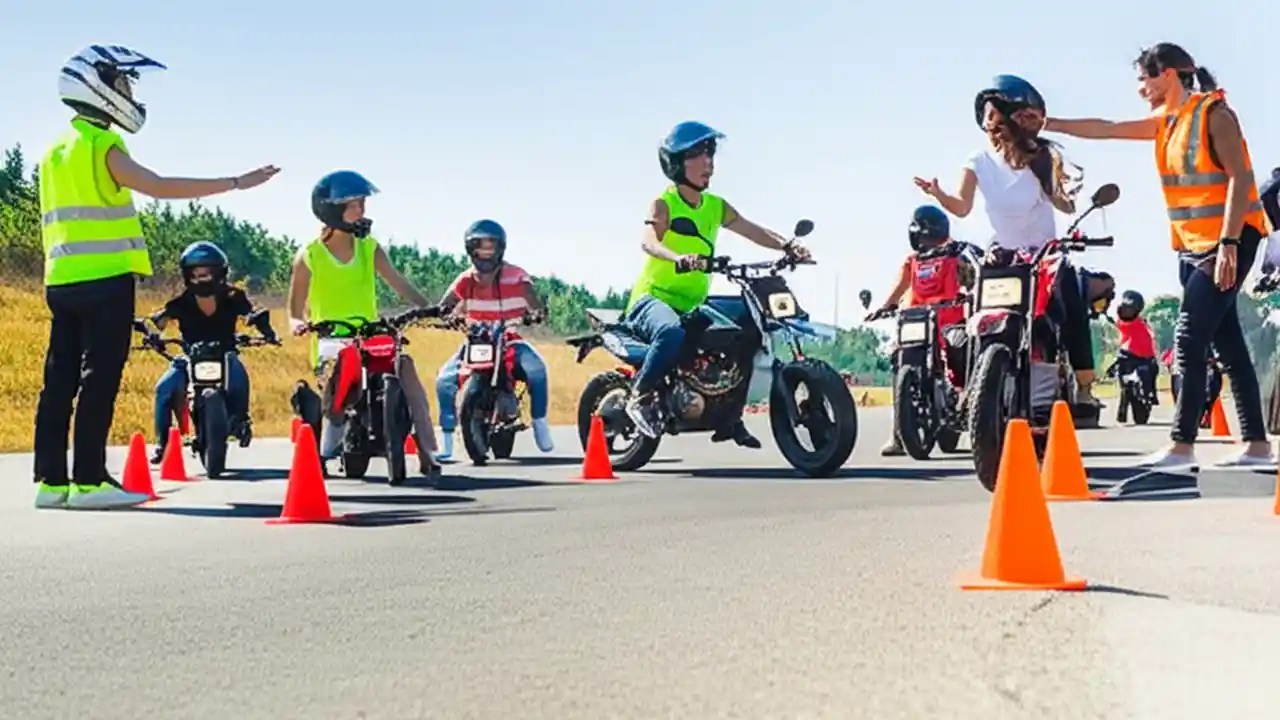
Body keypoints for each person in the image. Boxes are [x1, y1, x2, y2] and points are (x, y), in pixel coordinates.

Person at [33, 44, 278, 510]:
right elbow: (158, 186)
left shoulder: (54, 151)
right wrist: (235, 183)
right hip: (105, 279)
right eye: (124, 82)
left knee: (58, 379)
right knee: (98, 379)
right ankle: (88, 483)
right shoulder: (100, 144)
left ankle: (51, 483)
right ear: (100, 87)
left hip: (60, 280)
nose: (128, 91)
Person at [1042, 42, 1273, 468]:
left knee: (1188, 338)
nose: (1139, 88)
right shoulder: (1168, 121)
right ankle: (1257, 445)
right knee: (1228, 343)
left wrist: (1228, 244)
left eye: (1144, 79)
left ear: (1167, 74)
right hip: (1192, 245)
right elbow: (1107, 127)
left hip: (1230, 239)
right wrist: (1048, 122)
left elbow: (1242, 178)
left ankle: (1181, 445)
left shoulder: (1214, 114)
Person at [912, 74, 1102, 411]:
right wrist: (937, 193)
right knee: (974, 312)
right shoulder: (977, 162)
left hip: (1045, 255)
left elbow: (1065, 205)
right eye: (988, 118)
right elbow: (962, 206)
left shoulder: (1042, 155)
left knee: (1071, 301)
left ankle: (1084, 385)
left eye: (1000, 118)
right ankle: (972, 385)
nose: (993, 125)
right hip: (1002, 255)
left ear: (1018, 121)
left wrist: (1054, 182)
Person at [622, 121, 812, 443]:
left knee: (750, 325)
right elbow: (648, 240)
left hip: (692, 304)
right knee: (669, 332)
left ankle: (730, 417)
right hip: (653, 300)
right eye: (698, 155)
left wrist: (787, 246)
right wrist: (675, 257)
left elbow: (753, 230)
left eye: (710, 154)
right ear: (677, 162)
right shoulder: (664, 203)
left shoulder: (715, 206)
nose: (708, 163)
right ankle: (639, 396)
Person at [286, 170, 441, 478]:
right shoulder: (310, 256)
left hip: (370, 337)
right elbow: (294, 309)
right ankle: (325, 449)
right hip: (332, 341)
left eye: (362, 203)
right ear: (332, 209)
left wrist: (430, 309)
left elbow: (399, 283)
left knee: (406, 370)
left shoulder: (370, 248)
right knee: (339, 385)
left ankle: (427, 452)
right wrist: (297, 324)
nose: (362, 211)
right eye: (354, 205)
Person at [142, 241, 277, 463]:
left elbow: (252, 313)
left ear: (219, 273)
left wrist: (266, 329)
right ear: (187, 276)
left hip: (226, 354)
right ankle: (162, 443)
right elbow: (159, 321)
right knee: (164, 388)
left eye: (206, 273)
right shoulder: (180, 302)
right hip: (190, 357)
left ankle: (241, 420)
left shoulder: (234, 296)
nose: (201, 279)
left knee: (239, 376)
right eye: (195, 274)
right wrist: (150, 333)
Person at [431, 220, 553, 459]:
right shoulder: (465, 280)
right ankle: (445, 440)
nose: (486, 252)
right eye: (480, 246)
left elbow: (532, 298)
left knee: (536, 370)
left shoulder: (516, 275)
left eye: (491, 246)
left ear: (500, 249)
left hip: (509, 338)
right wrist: (445, 316)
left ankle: (540, 424)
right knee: (444, 380)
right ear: (470, 249)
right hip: (476, 339)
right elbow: (445, 305)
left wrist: (536, 312)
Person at [866, 205, 978, 456]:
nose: (927, 240)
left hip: (948, 322)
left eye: (930, 235)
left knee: (963, 354)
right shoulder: (912, 261)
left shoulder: (955, 255)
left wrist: (968, 296)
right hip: (915, 321)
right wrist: (884, 308)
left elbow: (971, 281)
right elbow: (898, 288)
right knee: (900, 361)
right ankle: (898, 434)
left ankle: (970, 407)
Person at [1107, 290, 1160, 418]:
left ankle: (1150, 393)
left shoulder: (1141, 322)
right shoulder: (1125, 321)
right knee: (1125, 381)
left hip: (1146, 357)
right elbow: (1124, 319)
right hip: (1128, 355)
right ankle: (1124, 403)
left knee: (1152, 372)